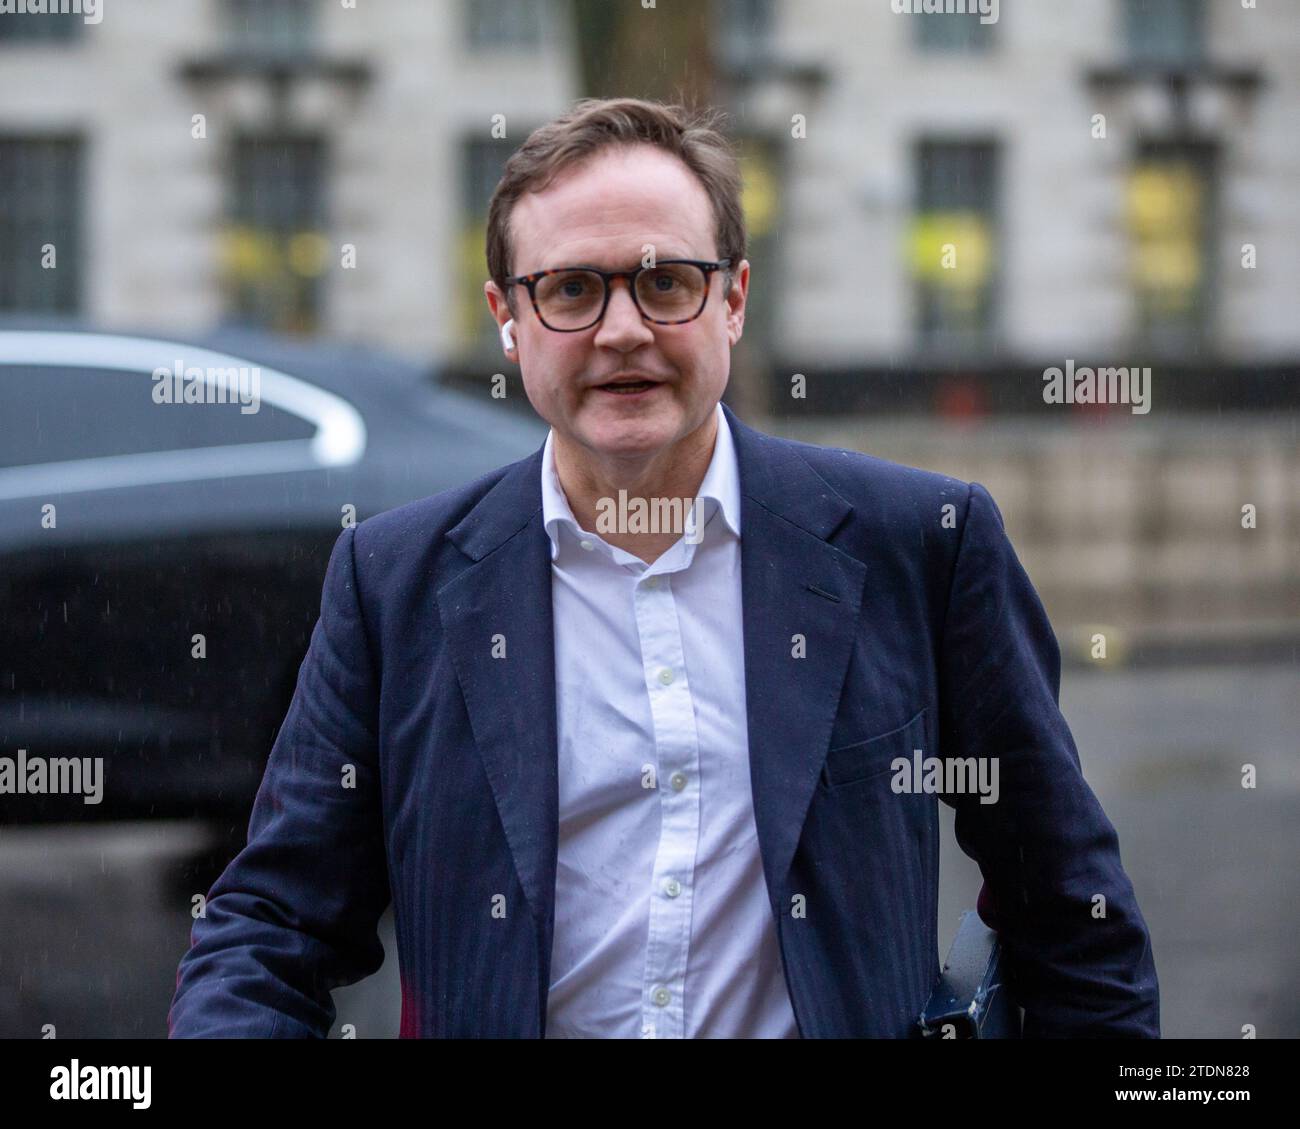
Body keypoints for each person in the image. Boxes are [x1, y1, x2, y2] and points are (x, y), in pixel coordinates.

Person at [168, 96, 1159, 1038]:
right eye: (569, 289)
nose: (623, 330)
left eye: (665, 281)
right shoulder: (393, 583)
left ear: (732, 297)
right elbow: (272, 923)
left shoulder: (922, 542)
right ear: (506, 319)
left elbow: (1069, 905)